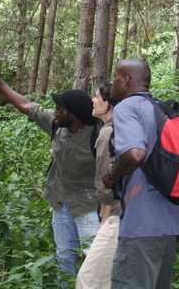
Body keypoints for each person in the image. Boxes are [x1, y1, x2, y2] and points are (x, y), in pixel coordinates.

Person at [0, 71, 100, 279]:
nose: (54, 113)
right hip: (60, 203)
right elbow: (28, 107)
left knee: (93, 259)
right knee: (63, 256)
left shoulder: (99, 137)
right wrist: (1, 84)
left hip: (87, 206)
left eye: (59, 110)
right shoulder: (57, 127)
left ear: (73, 115)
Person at [102, 59, 179, 289]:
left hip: (142, 224)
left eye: (116, 76)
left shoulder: (126, 108)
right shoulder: (160, 109)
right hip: (172, 223)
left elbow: (135, 154)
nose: (112, 81)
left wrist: (112, 174)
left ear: (126, 81)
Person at [76, 82, 120, 289]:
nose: (92, 101)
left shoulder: (106, 134)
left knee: (88, 280)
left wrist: (104, 223)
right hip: (134, 215)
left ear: (107, 104)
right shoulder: (127, 126)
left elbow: (105, 187)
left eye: (96, 97)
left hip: (116, 217)